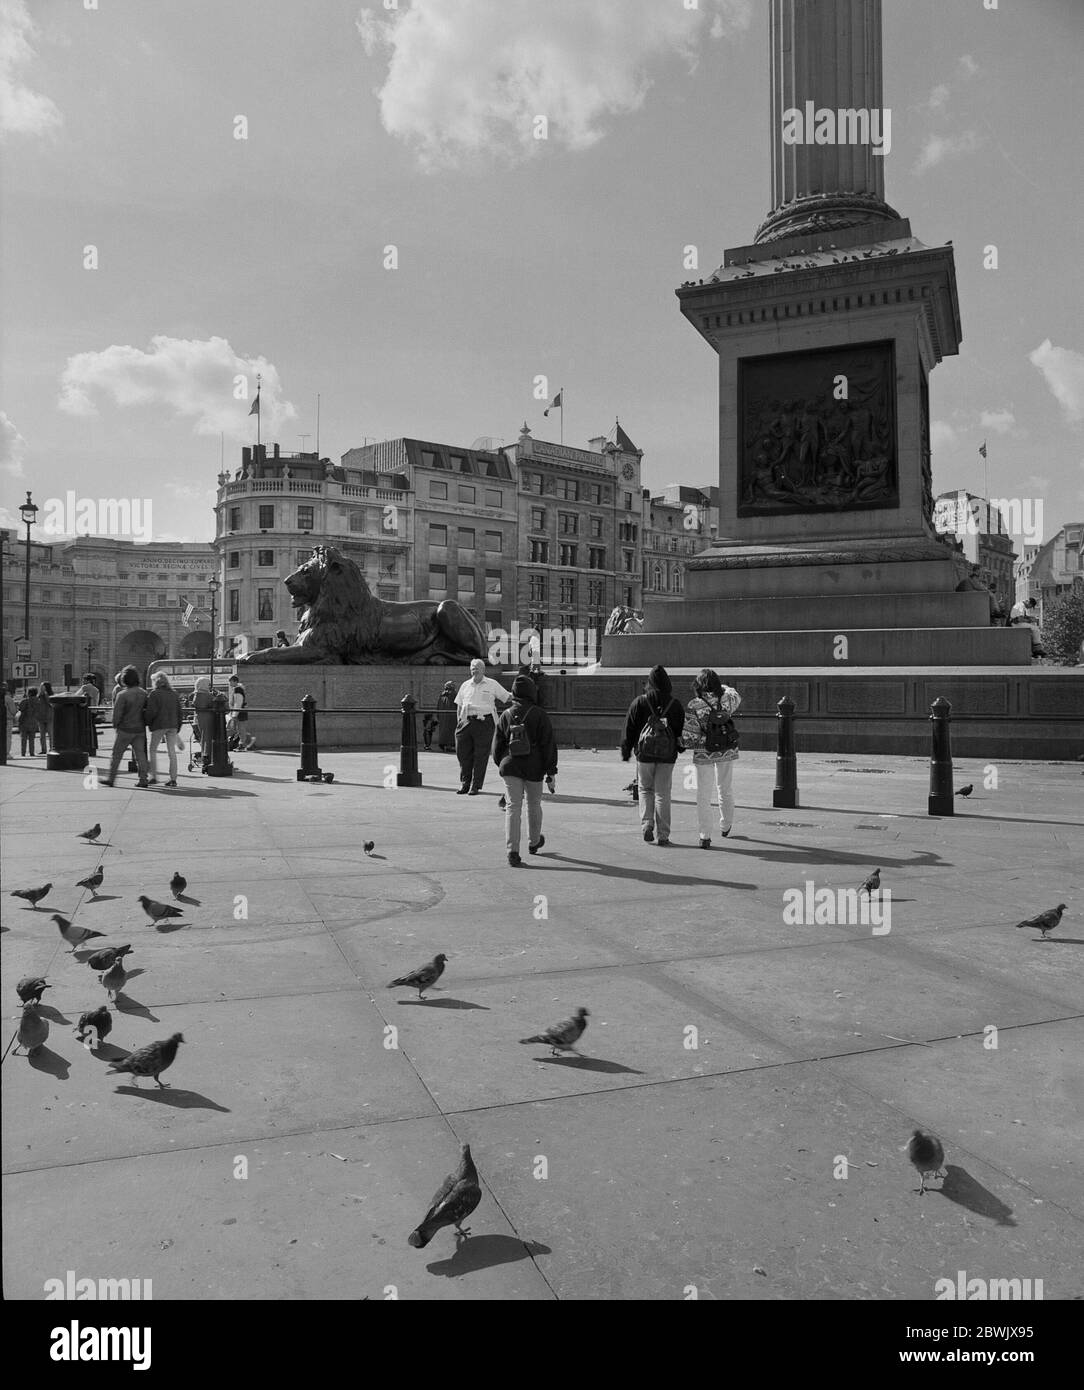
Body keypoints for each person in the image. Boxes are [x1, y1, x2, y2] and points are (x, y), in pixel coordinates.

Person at [493, 674, 557, 866]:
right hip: (534, 766)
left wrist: (502, 763)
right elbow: (548, 745)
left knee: (513, 807)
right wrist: (551, 772)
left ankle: (512, 851)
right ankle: (534, 842)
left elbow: (496, 747)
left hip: (511, 765)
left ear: (514, 693)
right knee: (534, 804)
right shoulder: (539, 714)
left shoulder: (506, 715)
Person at [621, 665, 685, 845]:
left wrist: (626, 751)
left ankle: (647, 825)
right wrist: (679, 749)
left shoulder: (640, 702)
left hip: (644, 755)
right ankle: (663, 835)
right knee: (663, 793)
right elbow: (681, 732)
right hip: (667, 756)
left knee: (645, 789)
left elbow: (629, 729)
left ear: (649, 683)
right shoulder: (675, 705)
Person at [682, 668, 742, 849]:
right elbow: (735, 693)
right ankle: (726, 825)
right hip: (727, 750)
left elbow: (689, 738)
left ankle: (705, 835)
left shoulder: (694, 705)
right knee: (725, 788)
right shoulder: (727, 700)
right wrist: (721, 687)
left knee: (703, 794)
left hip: (704, 753)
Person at [454, 658, 511, 795]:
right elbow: (459, 705)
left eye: (477, 666)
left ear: (484, 669)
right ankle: (465, 783)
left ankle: (475, 785)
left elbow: (507, 697)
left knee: (481, 755)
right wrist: (459, 722)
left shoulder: (492, 684)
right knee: (463, 754)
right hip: (466, 722)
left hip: (484, 723)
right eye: (472, 666)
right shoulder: (465, 685)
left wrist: (521, 696)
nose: (474, 668)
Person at [102, 665, 149, 787]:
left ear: (124, 679)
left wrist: (115, 725)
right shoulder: (144, 693)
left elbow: (117, 714)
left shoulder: (122, 695)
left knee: (116, 755)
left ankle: (111, 779)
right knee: (140, 755)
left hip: (125, 729)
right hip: (139, 729)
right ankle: (143, 779)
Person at [145, 671, 184, 787]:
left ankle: (154, 776)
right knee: (172, 752)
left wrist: (148, 723)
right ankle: (173, 779)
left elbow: (151, 712)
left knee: (152, 750)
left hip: (159, 725)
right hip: (172, 725)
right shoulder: (174, 693)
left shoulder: (154, 694)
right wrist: (178, 727)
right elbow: (179, 712)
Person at [191, 676, 216, 771]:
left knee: (204, 738)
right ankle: (207, 757)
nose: (209, 686)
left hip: (200, 720)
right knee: (209, 738)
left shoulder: (196, 695)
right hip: (208, 719)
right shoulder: (207, 695)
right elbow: (215, 703)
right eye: (208, 684)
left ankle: (204, 755)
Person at [74, 671, 100, 755]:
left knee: (85, 729)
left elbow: (76, 696)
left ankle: (85, 746)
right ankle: (93, 746)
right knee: (92, 729)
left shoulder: (85, 687)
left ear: (87, 680)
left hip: (85, 712)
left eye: (83, 679)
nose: (82, 681)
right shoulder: (96, 689)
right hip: (94, 710)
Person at [227, 674, 254, 751]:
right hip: (241, 712)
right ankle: (247, 743)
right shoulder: (238, 688)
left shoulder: (237, 689)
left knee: (241, 729)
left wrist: (234, 714)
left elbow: (238, 703)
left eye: (230, 681)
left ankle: (244, 745)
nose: (229, 683)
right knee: (241, 729)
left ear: (235, 681)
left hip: (239, 712)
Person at [17, 685, 44, 756]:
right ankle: (32, 753)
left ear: (29, 693)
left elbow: (20, 709)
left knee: (23, 739)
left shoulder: (25, 701)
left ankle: (23, 753)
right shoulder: (38, 701)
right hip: (34, 721)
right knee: (32, 739)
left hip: (24, 721)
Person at [435, 681, 457, 752]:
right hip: (452, 717)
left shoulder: (441, 696)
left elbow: (438, 707)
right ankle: (450, 745)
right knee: (451, 731)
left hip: (442, 717)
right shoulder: (454, 695)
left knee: (443, 730)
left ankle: (443, 744)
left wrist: (439, 716)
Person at [38, 681, 55, 753]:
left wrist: (46, 695)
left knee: (51, 734)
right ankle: (43, 749)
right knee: (42, 736)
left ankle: (52, 748)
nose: (41, 687)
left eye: (42, 686)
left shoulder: (50, 695)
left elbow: (50, 703)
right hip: (41, 717)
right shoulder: (39, 695)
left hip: (49, 717)